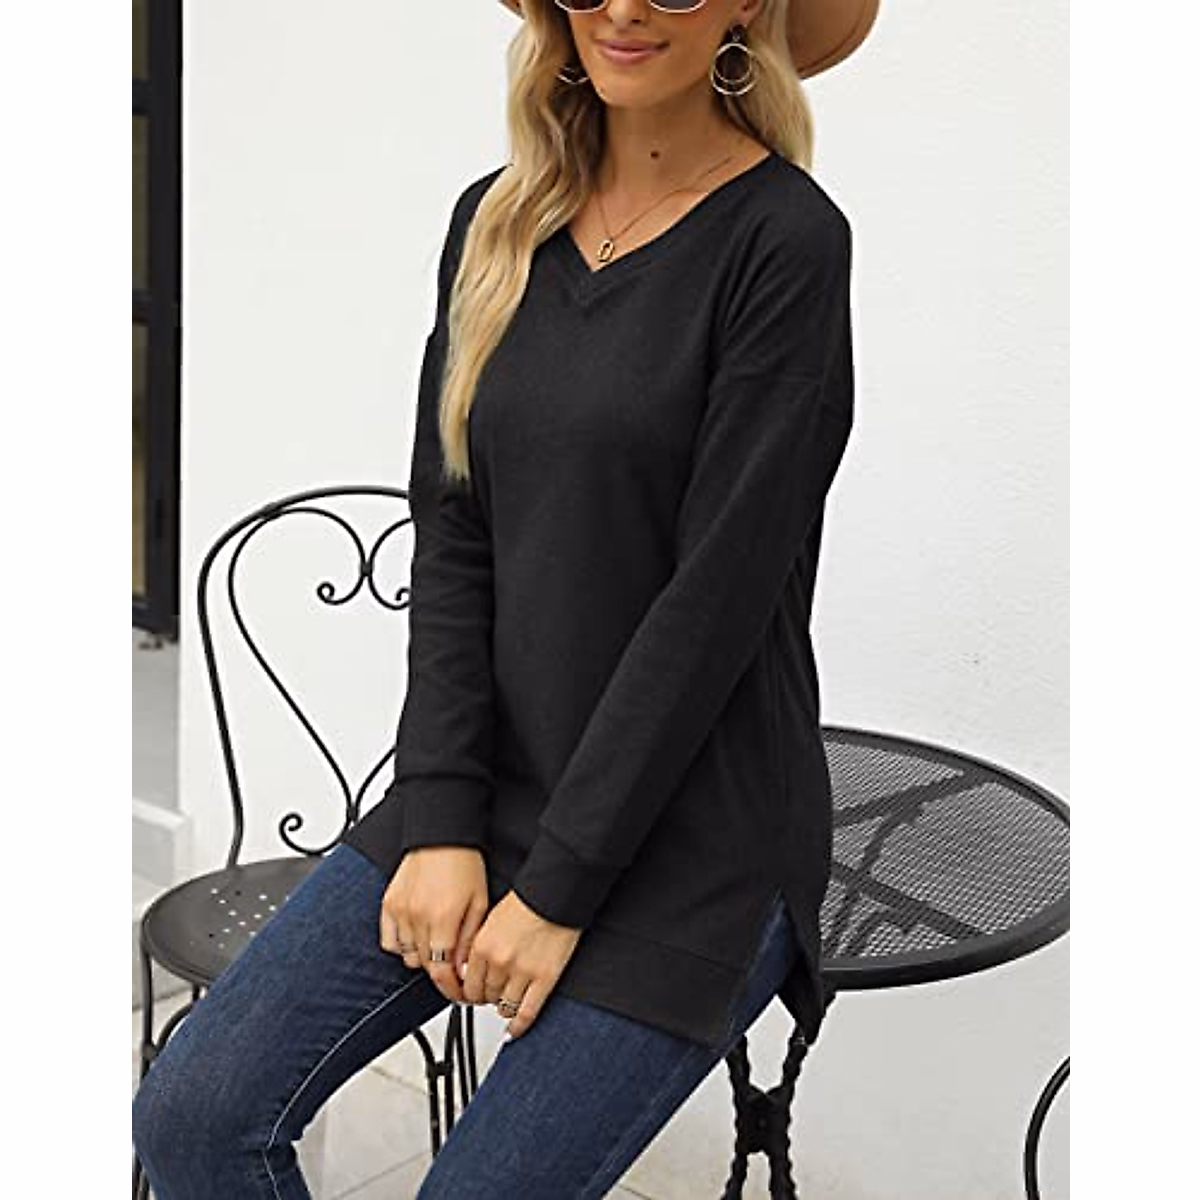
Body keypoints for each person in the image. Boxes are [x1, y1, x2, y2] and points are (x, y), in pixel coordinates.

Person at [131, 1, 879, 1196]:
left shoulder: (784, 242)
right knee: (194, 1112)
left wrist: (558, 889)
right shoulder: (497, 222)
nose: (624, 7)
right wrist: (438, 820)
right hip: (491, 787)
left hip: (698, 833)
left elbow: (713, 609)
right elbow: (454, 530)